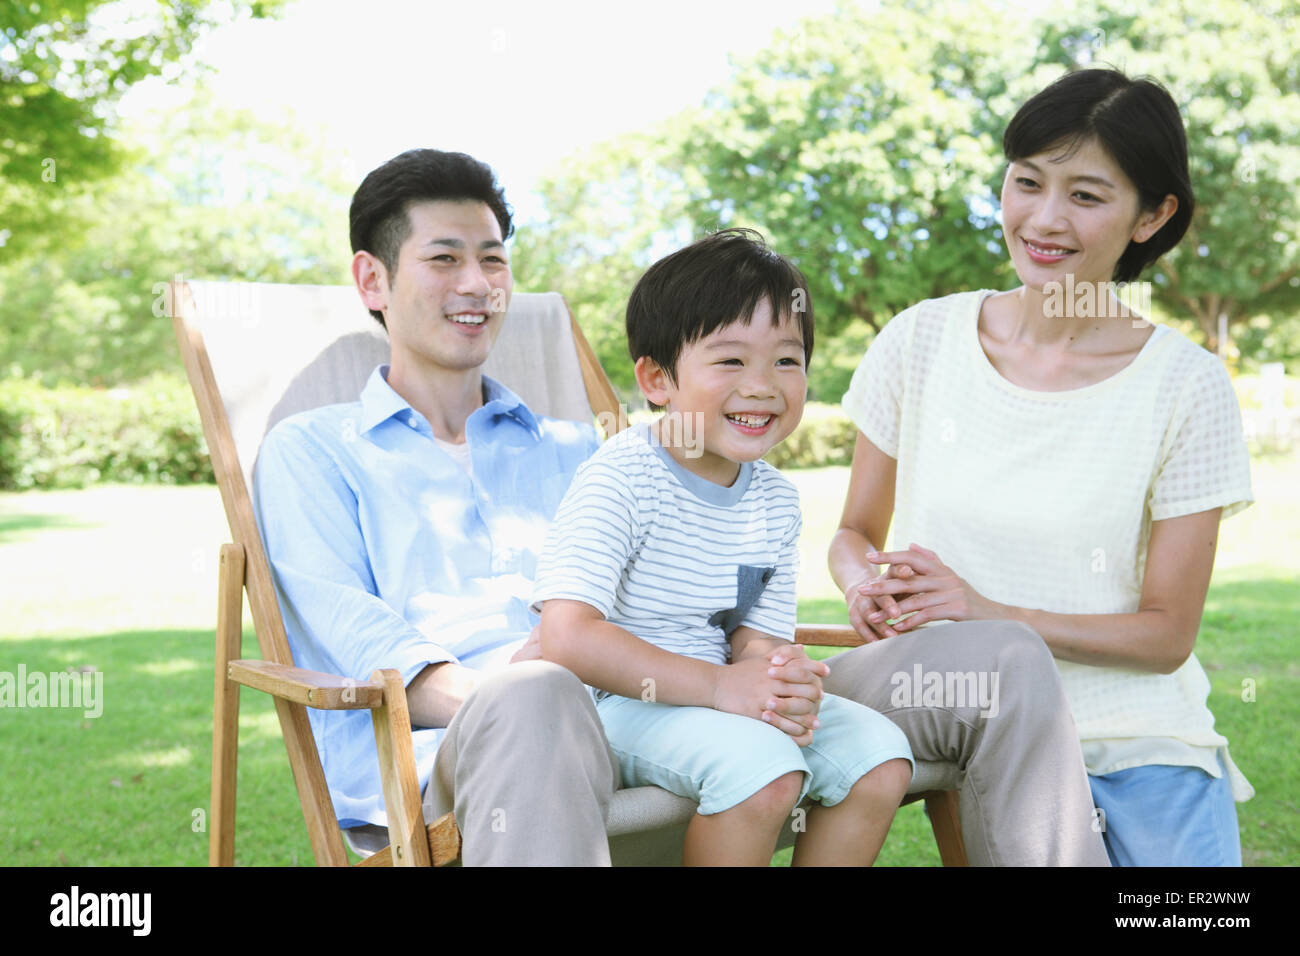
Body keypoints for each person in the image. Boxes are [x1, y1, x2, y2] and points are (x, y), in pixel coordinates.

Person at [255, 146, 1109, 867]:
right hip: (492, 733)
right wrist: (544, 678)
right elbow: (356, 637)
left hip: (678, 697)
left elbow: (705, 585)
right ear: (373, 278)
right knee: (542, 691)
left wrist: (762, 678)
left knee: (996, 660)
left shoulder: (581, 446)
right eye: (444, 259)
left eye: (493, 259)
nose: (476, 283)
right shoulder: (314, 450)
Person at [831, 68, 1254, 867]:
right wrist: (863, 584)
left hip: (1146, 746)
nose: (1044, 219)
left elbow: (1167, 635)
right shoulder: (922, 342)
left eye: (1087, 196)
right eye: (1027, 182)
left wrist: (991, 609)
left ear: (1153, 215)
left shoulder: (1186, 386)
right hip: (982, 730)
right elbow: (854, 531)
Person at [532, 230, 914, 865]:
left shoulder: (775, 501)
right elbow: (566, 637)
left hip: (720, 697)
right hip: (615, 705)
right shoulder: (622, 476)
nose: (763, 385)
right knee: (763, 771)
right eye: (732, 361)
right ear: (657, 378)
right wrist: (720, 688)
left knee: (880, 757)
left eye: (786, 361)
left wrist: (779, 679)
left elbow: (755, 640)